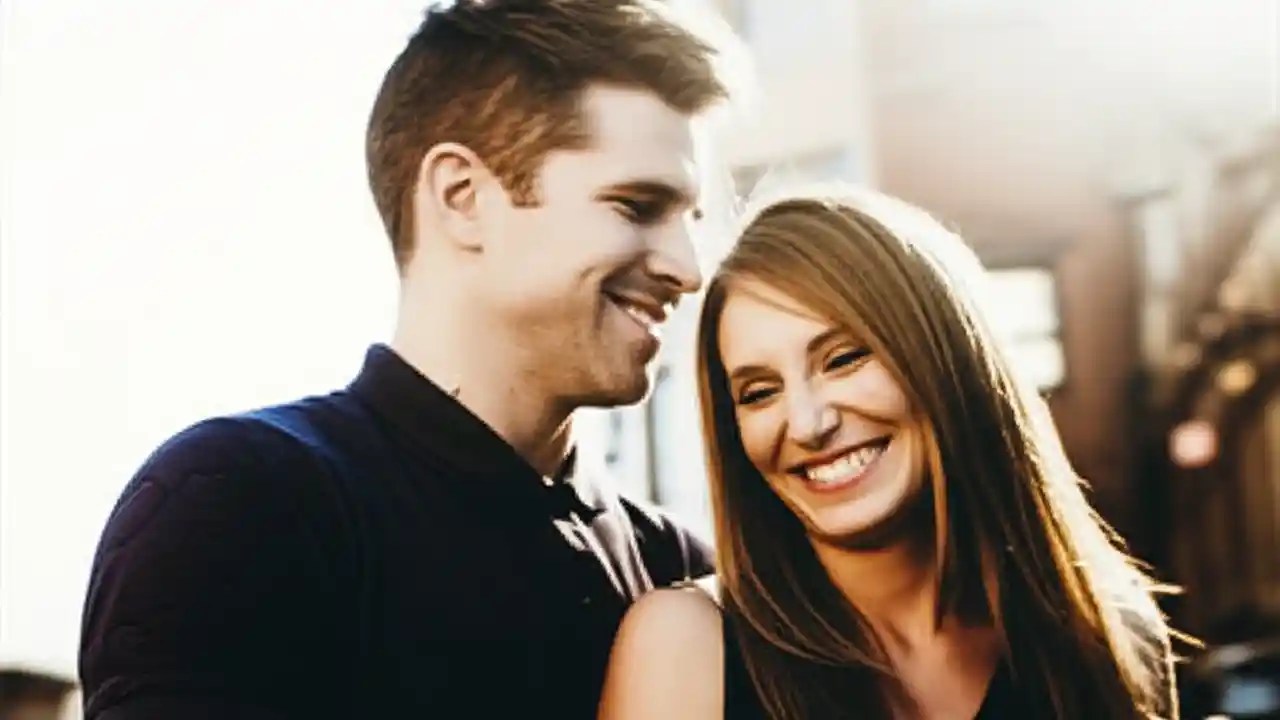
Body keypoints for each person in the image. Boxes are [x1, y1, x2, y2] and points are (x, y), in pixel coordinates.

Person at [78, 1, 742, 717]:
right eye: (636, 205)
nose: (689, 267)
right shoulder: (241, 506)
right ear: (462, 197)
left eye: (693, 220)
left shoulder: (682, 568)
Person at [598, 185, 1179, 719]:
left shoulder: (1108, 636)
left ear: (945, 355)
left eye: (844, 359)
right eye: (759, 392)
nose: (806, 424)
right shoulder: (685, 650)